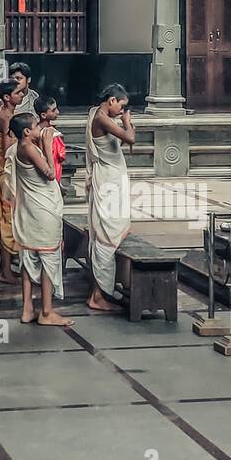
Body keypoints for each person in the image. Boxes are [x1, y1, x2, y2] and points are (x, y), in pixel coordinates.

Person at [10, 112, 71, 327]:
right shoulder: (28, 147)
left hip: (31, 210)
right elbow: (49, 173)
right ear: (27, 132)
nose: (40, 129)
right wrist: (46, 145)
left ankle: (28, 308)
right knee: (47, 258)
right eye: (36, 126)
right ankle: (46, 311)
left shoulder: (21, 146)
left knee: (29, 257)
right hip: (42, 212)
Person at [85, 83, 135, 312]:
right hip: (108, 183)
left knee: (107, 234)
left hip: (111, 180)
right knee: (107, 235)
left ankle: (103, 289)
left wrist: (125, 126)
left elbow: (124, 140)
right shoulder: (102, 118)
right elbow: (130, 139)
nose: (122, 110)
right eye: (121, 105)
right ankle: (98, 295)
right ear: (111, 100)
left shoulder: (100, 115)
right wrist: (126, 123)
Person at [0, 78, 22, 285]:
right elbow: (10, 150)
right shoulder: (6, 116)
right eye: (18, 93)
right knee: (8, 221)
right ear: (7, 97)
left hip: (1, 174)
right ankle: (5, 270)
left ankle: (5, 267)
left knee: (6, 220)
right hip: (5, 176)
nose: (21, 96)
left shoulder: (2, 111)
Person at [34, 94, 65, 187]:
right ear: (43, 115)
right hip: (51, 169)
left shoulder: (35, 130)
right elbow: (60, 155)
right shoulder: (52, 133)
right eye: (53, 110)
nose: (58, 112)